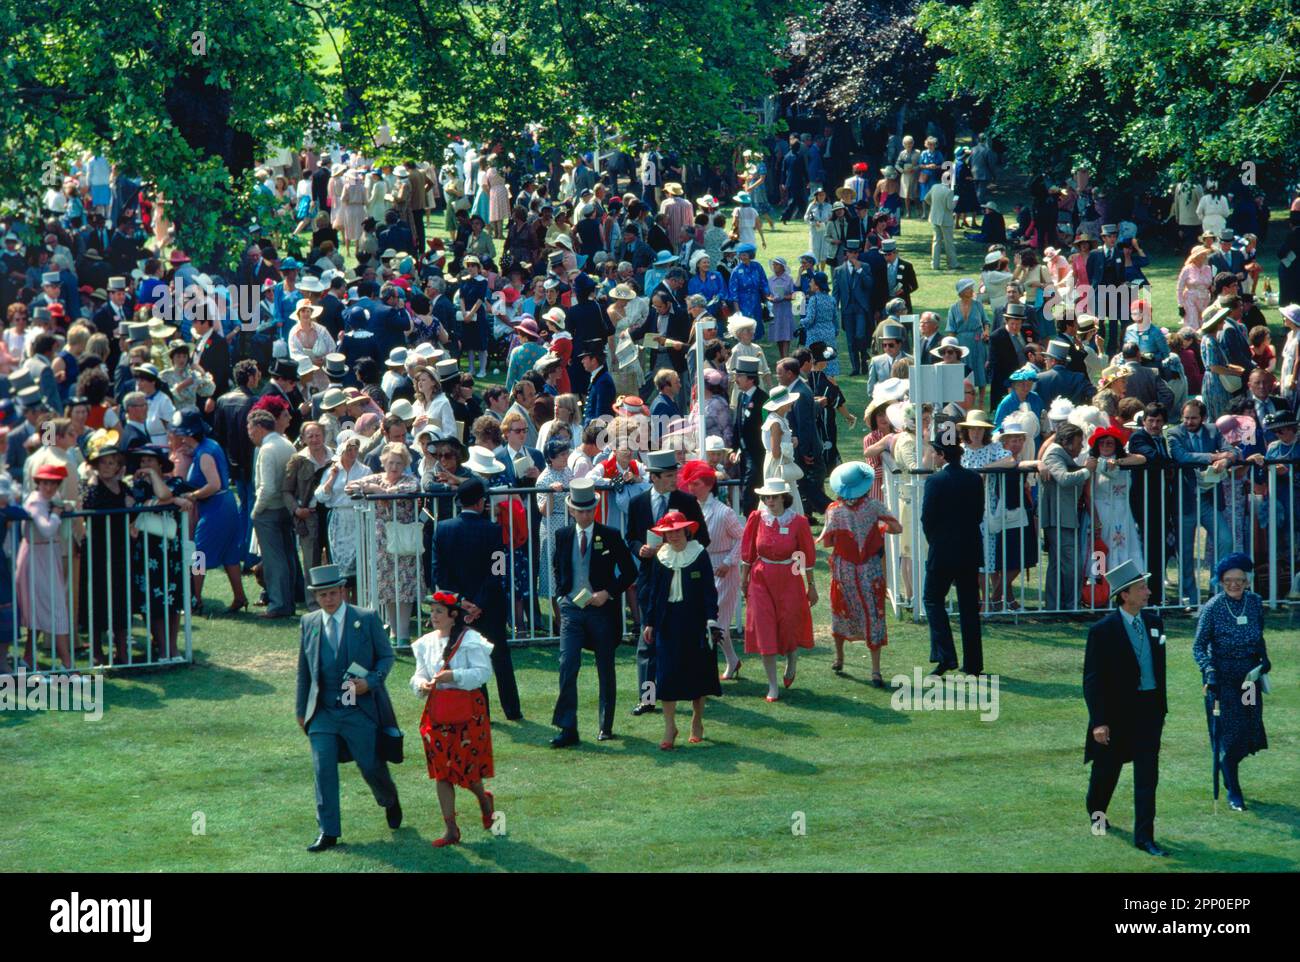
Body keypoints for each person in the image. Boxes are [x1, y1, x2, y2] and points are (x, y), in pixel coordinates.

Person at [295, 563, 403, 852]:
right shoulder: (308, 623)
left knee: (370, 765)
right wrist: (300, 711)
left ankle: (388, 798)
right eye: (322, 595)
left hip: (358, 709)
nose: (328, 600)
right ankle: (328, 831)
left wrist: (371, 681)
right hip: (322, 712)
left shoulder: (365, 619)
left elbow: (386, 657)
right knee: (323, 769)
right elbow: (304, 670)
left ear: (343, 590)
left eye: (332, 593)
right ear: (315, 597)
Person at [1082, 559, 1169, 857]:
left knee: (1148, 777)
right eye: (1141, 587)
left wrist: (1160, 709)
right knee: (1106, 773)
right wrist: (1099, 721)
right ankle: (1097, 812)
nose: (1148, 591)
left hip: (1149, 713)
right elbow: (1092, 681)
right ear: (1124, 595)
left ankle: (1145, 836)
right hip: (1117, 716)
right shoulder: (1102, 632)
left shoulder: (1156, 624)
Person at [548, 477, 638, 747]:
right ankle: (567, 728)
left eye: (589, 510)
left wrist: (607, 593)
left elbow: (630, 572)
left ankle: (605, 726)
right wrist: (565, 594)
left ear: (595, 509)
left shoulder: (610, 535)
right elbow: (557, 567)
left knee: (605, 667)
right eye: (580, 510)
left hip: (602, 611)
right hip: (572, 610)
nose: (585, 515)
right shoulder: (562, 535)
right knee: (567, 664)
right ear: (571, 510)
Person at [625, 449, 709, 714]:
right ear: (655, 477)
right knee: (647, 639)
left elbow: (702, 538)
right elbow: (630, 536)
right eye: (671, 475)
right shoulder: (638, 503)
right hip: (651, 577)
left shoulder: (687, 502)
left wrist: (674, 546)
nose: (676, 479)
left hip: (681, 579)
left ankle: (689, 690)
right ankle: (647, 698)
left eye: (675, 474)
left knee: (683, 639)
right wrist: (639, 548)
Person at [430, 478, 522, 720]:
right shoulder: (493, 531)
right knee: (500, 657)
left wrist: (461, 601)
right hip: (490, 605)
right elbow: (498, 571)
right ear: (481, 502)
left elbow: (438, 574)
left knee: (467, 659)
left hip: (458, 608)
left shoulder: (443, 529)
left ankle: (479, 710)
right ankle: (512, 710)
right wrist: (478, 603)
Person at [411, 589, 497, 848]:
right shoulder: (426, 642)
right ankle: (451, 829)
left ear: (453, 615)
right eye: (432, 611)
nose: (434, 616)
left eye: (439, 611)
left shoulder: (471, 639)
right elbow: (418, 675)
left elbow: (483, 673)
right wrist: (422, 684)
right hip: (437, 713)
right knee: (442, 773)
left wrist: (454, 676)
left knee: (468, 772)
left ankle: (484, 799)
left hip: (467, 712)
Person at [1192, 553, 1271, 812]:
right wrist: (1209, 670)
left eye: (1239, 580)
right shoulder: (1213, 607)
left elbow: (1258, 637)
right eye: (1228, 581)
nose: (1234, 585)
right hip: (1222, 679)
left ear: (1248, 581)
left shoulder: (1255, 603)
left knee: (1249, 731)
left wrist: (1264, 658)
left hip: (1249, 679)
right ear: (1220, 582)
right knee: (1231, 734)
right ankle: (1234, 789)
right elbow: (1199, 647)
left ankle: (1227, 768)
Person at [638, 509, 720, 748]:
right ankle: (669, 727)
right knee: (666, 674)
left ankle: (697, 720)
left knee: (698, 671)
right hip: (667, 620)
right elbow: (654, 592)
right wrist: (650, 621)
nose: (673, 536)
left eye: (676, 531)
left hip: (694, 620)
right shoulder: (660, 557)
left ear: (686, 530)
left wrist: (711, 619)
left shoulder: (699, 554)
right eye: (668, 532)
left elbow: (708, 590)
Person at [819, 461, 900, 686]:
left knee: (841, 609)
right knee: (873, 613)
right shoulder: (874, 506)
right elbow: (896, 527)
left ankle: (839, 658)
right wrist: (878, 530)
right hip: (870, 567)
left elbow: (827, 541)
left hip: (844, 567)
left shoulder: (834, 510)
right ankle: (875, 671)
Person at [740, 478, 817, 702]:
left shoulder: (799, 522)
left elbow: (806, 557)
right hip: (761, 577)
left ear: (784, 497)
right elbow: (747, 552)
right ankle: (772, 684)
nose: (769, 501)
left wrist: (810, 585)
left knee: (789, 622)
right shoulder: (757, 518)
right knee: (764, 628)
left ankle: (792, 657)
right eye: (766, 497)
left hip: (790, 575)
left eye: (774, 497)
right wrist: (744, 580)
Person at [170, 409, 247, 614]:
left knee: (199, 556)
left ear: (187, 434)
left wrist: (192, 496)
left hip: (215, 509)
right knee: (230, 554)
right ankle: (240, 597)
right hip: (227, 505)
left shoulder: (203, 454)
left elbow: (214, 484)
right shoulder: (209, 446)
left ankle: (195, 600)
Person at [920, 435, 984, 675]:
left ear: (943, 455)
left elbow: (927, 517)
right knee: (969, 606)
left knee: (933, 600)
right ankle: (974, 664)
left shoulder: (935, 481)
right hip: (969, 549)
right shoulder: (974, 479)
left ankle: (945, 655)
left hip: (943, 549)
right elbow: (978, 515)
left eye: (936, 452)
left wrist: (935, 540)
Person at [347, 442, 421, 644]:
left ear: (405, 464)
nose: (394, 467)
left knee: (404, 587)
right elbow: (351, 485)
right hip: (381, 542)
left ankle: (404, 633)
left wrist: (376, 490)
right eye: (390, 462)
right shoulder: (376, 478)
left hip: (403, 540)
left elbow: (404, 492)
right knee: (387, 587)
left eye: (398, 463)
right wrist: (367, 486)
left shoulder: (410, 480)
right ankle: (395, 632)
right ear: (383, 463)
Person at [1168, 398, 1236, 605]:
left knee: (1225, 539)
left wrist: (1225, 459)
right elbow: (1181, 456)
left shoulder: (1214, 431)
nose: (1188, 421)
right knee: (1186, 551)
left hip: (1209, 500)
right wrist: (1213, 457)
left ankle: (1217, 594)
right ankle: (1189, 596)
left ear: (1203, 418)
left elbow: (1233, 451)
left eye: (1193, 418)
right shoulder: (1173, 433)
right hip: (1185, 501)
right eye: (1186, 417)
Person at [248, 408, 298, 619]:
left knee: (274, 560)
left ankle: (278, 605)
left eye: (249, 428)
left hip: (269, 509)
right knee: (287, 557)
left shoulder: (267, 449)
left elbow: (267, 488)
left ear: (259, 428)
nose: (249, 433)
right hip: (285, 508)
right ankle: (288, 601)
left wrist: (256, 511)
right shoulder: (286, 443)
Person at [1040, 422, 1093, 611]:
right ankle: (1071, 606)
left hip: (1063, 517)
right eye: (1079, 443)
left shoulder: (1059, 453)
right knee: (1071, 565)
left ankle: (1055, 607)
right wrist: (1087, 470)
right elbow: (1063, 479)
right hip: (1059, 518)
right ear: (1067, 442)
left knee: (1057, 565)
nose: (1081, 447)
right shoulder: (1054, 453)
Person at [1088, 425, 1146, 572]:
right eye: (1101, 443)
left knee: (1125, 545)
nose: (1105, 446)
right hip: (1101, 510)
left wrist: (1118, 462)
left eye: (1109, 443)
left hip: (1122, 511)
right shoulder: (1093, 462)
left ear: (1116, 445)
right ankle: (1100, 586)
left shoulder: (1124, 460)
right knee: (1102, 545)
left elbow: (1142, 459)